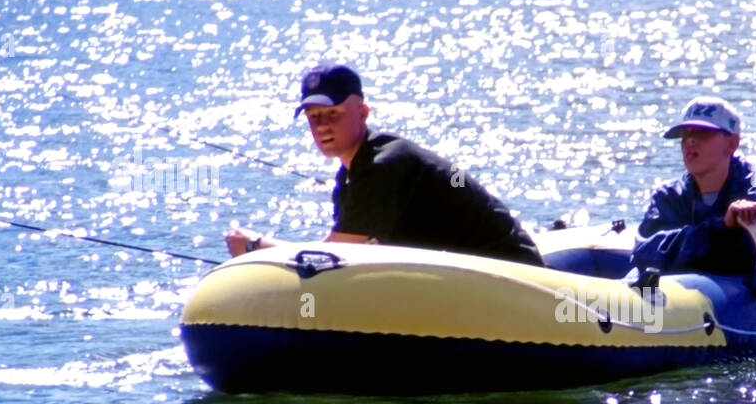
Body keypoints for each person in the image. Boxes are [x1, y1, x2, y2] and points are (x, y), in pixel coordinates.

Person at [225, 63, 543, 266]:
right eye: (313, 117)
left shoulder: (384, 165)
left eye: (332, 114)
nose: (321, 126)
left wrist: (255, 246)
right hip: (457, 277)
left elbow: (331, 258)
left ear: (363, 113)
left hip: (510, 271)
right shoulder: (349, 179)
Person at [630, 96, 756, 303]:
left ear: (731, 144)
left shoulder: (754, 203)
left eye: (702, 133)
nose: (690, 141)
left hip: (731, 309)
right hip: (673, 304)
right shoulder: (669, 198)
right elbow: (647, 251)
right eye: (685, 134)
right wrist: (722, 227)